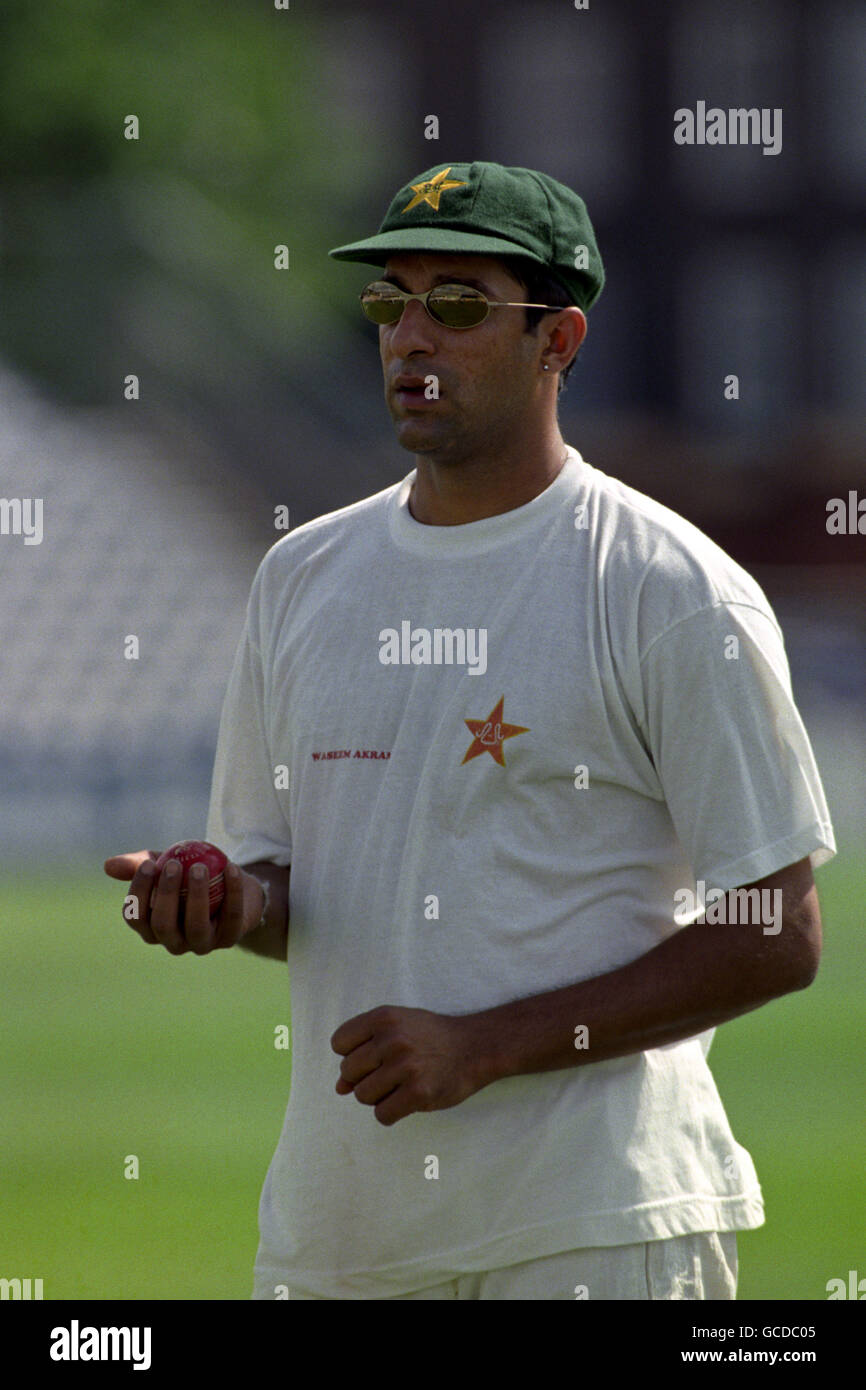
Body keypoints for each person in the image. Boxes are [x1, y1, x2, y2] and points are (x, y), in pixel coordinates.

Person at [105, 161, 836, 1301]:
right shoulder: (299, 577)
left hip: (594, 1228)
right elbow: (288, 887)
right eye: (388, 302)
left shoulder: (665, 585)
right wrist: (225, 902)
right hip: (341, 1239)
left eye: (454, 305)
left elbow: (775, 929)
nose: (408, 338)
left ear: (560, 340)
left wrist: (483, 1043)